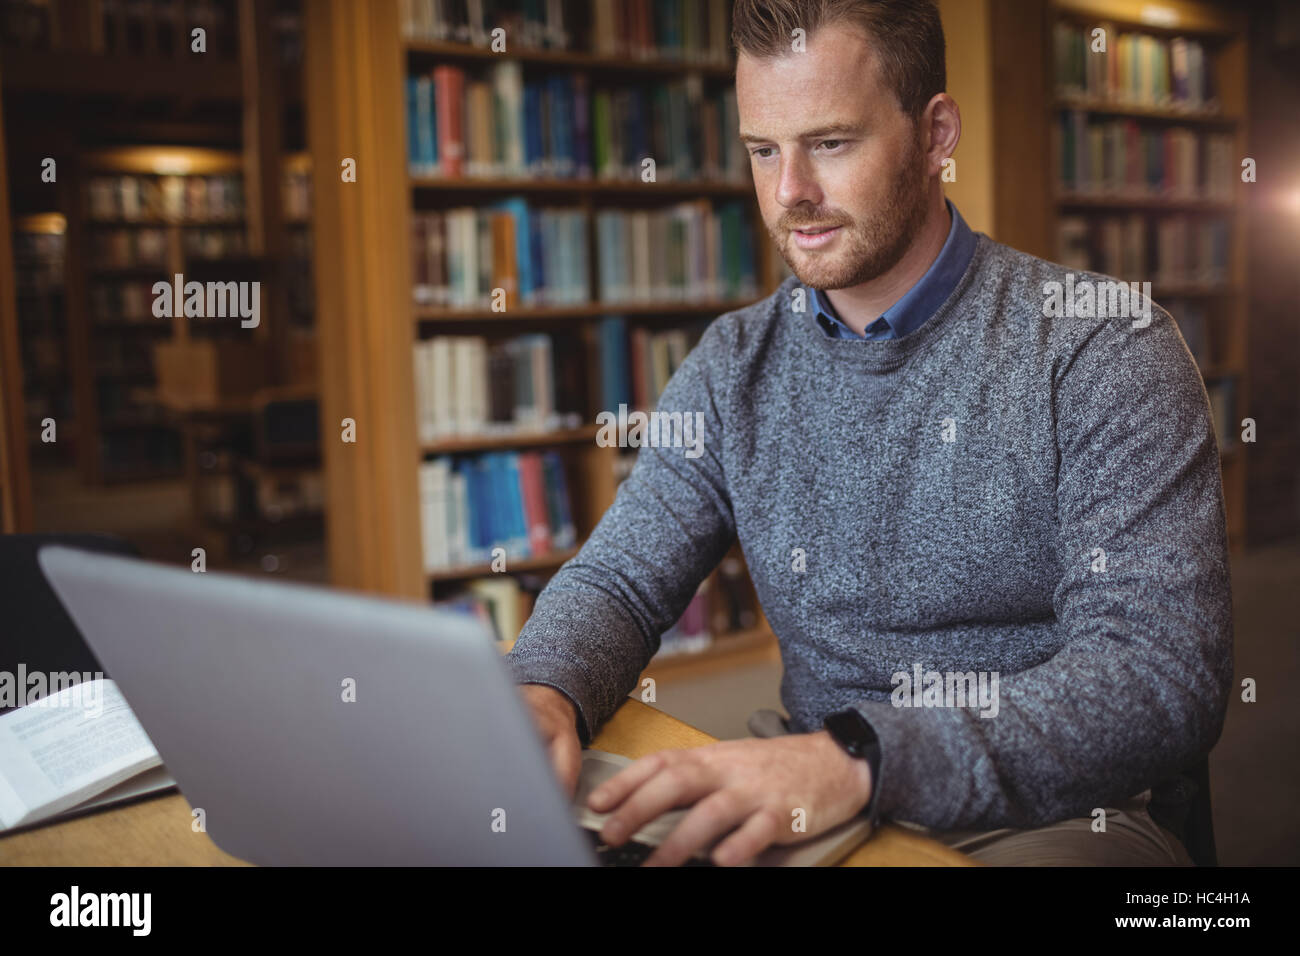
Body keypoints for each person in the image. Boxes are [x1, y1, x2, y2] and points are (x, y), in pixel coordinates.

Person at [507, 0, 1232, 866]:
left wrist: (864, 757)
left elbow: (1157, 677)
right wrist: (546, 688)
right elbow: (623, 579)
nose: (789, 193)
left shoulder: (1103, 346)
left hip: (1053, 813)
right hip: (811, 791)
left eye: (831, 143)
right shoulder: (733, 363)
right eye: (763, 150)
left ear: (936, 136)